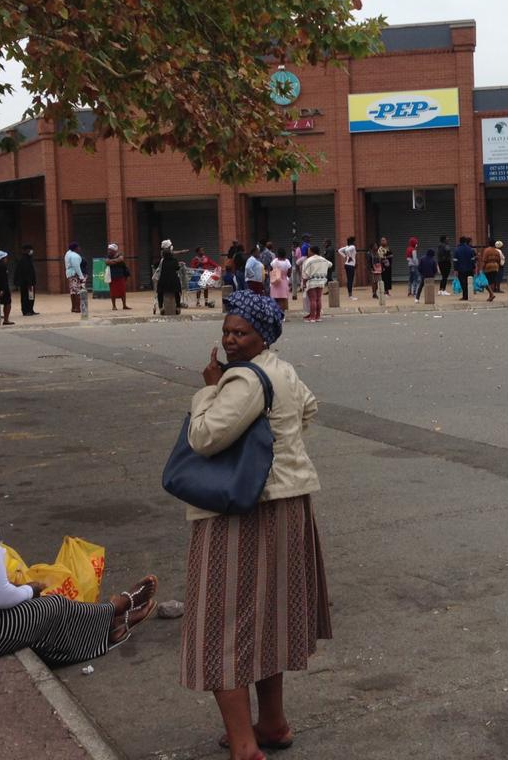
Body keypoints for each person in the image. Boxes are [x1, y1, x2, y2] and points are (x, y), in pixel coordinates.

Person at [180, 293, 331, 760]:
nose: (230, 340)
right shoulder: (282, 370)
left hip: (244, 512)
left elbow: (203, 437)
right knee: (269, 620)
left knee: (220, 626)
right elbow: (308, 409)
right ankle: (272, 724)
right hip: (288, 505)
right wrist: (280, 445)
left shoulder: (242, 380)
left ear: (263, 335)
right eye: (226, 331)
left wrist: (210, 388)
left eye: (240, 332)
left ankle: (245, 746)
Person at [0, 447, 157, 666]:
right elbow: (0, 598)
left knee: (35, 617)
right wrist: (32, 588)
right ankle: (115, 609)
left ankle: (111, 627)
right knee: (52, 605)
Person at [301, 247, 332, 322]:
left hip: (311, 282)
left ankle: (312, 317)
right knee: (318, 299)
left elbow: (305, 274)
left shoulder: (308, 261)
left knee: (312, 300)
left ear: (312, 251)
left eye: (309, 251)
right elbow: (330, 264)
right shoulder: (323, 259)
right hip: (321, 281)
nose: (308, 253)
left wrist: (304, 283)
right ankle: (318, 316)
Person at [154, 239, 183, 313]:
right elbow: (177, 268)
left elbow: (155, 266)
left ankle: (161, 307)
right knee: (177, 291)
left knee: (159, 292)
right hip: (174, 282)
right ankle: (178, 307)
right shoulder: (174, 260)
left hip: (163, 282)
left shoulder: (161, 261)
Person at [102, 243, 130, 310]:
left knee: (122, 291)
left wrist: (112, 261)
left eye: (110, 250)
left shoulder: (120, 255)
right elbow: (107, 262)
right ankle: (114, 306)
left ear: (114, 250)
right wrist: (115, 261)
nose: (109, 251)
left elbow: (121, 259)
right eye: (108, 250)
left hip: (121, 276)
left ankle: (124, 305)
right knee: (113, 292)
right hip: (112, 276)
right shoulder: (108, 256)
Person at [14, 244, 38, 316]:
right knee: (25, 297)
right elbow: (26, 273)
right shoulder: (24, 260)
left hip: (30, 282)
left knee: (31, 297)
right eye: (30, 249)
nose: (31, 251)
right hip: (26, 283)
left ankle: (30, 309)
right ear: (26, 250)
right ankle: (25, 311)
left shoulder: (29, 258)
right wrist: (29, 283)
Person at [269, 247, 292, 315]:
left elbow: (270, 270)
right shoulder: (287, 262)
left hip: (275, 282)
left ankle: (275, 314)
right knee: (282, 299)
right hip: (284, 282)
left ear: (278, 254)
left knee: (275, 299)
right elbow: (289, 274)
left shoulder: (274, 261)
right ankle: (282, 315)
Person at [65, 242, 86, 313]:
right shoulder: (75, 256)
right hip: (75, 275)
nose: (79, 248)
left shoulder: (68, 254)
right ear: (75, 248)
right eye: (78, 247)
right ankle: (78, 308)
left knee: (72, 292)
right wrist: (81, 276)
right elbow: (77, 267)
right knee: (78, 292)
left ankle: (73, 307)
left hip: (70, 275)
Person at [452, 237, 475, 301]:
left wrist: (455, 269)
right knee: (469, 283)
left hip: (461, 269)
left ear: (460, 241)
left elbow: (455, 260)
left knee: (463, 283)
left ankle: (465, 296)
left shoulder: (457, 250)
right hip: (470, 268)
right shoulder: (470, 249)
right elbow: (473, 259)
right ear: (465, 241)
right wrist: (474, 268)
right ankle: (469, 295)